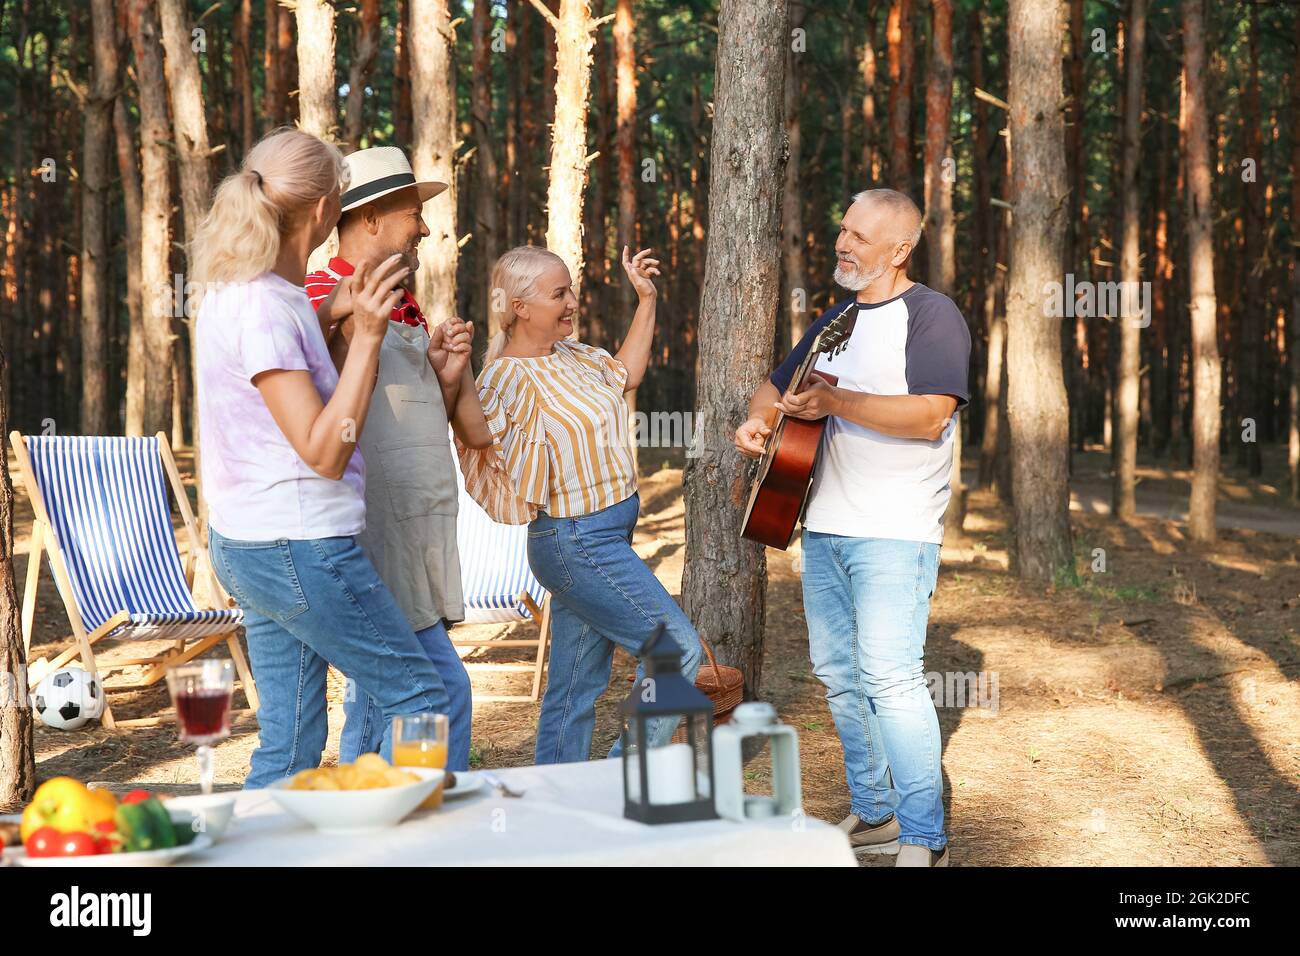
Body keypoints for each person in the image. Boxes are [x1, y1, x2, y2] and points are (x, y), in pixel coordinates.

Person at [191, 128, 452, 789]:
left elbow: (310, 400)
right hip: (300, 544)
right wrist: (366, 334)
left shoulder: (257, 293)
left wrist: (342, 318)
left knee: (287, 751)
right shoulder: (264, 308)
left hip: (257, 543)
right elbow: (322, 451)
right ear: (324, 209)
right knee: (424, 700)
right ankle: (408, 849)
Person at [735, 188, 971, 867]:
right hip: (823, 526)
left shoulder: (932, 316)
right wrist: (760, 422)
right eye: (842, 229)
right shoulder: (835, 323)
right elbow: (775, 388)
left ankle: (925, 836)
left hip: (894, 531)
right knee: (839, 674)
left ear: (898, 250)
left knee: (892, 679)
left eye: (860, 236)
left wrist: (838, 400)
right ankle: (877, 813)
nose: (843, 243)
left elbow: (929, 414)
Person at [453, 244, 702, 764]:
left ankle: (554, 804)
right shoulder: (505, 377)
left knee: (573, 690)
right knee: (676, 651)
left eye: (571, 290)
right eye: (558, 293)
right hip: (575, 542)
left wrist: (647, 299)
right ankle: (623, 777)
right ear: (520, 306)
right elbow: (476, 434)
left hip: (604, 538)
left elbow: (626, 376)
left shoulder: (575, 356)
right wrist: (448, 374)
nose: (572, 301)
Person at [304, 146, 487, 773]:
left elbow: (420, 416)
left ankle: (375, 811)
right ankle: (428, 817)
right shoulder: (323, 294)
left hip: (416, 524)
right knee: (438, 692)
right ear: (374, 217)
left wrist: (446, 374)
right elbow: (309, 371)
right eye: (413, 213)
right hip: (373, 526)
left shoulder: (403, 302)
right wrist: (347, 315)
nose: (426, 228)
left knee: (380, 700)